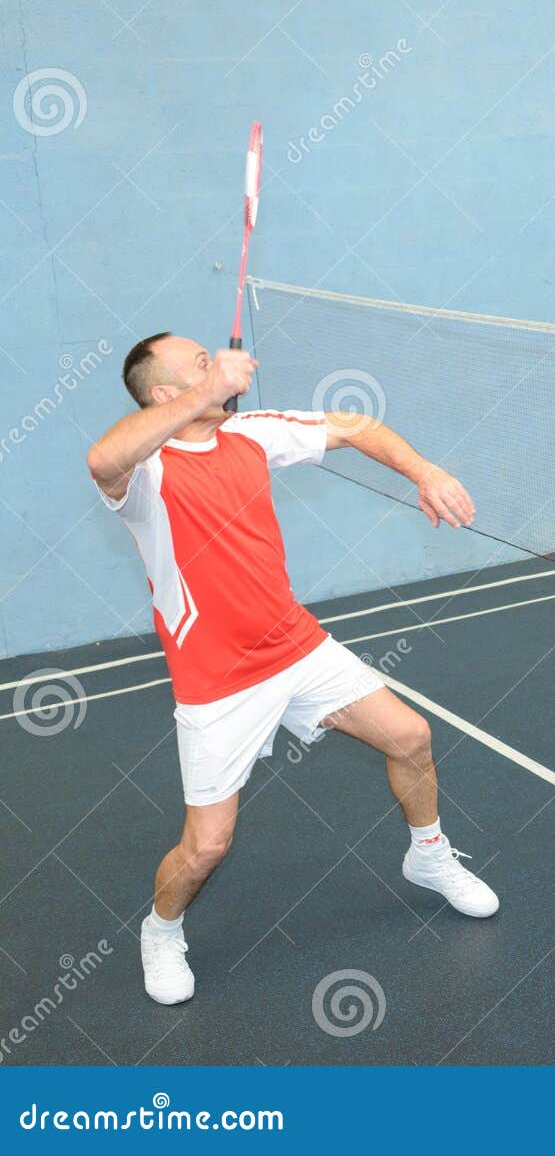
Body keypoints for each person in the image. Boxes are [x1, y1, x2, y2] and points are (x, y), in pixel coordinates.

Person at [88, 334, 498, 1006]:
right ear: (165, 393)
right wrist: (206, 388)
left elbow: (358, 426)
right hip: (217, 681)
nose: (216, 366)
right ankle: (161, 930)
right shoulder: (143, 474)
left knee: (411, 736)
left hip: (297, 650)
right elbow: (101, 457)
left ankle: (428, 854)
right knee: (206, 848)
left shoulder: (253, 432)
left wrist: (424, 472)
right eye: (198, 363)